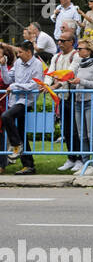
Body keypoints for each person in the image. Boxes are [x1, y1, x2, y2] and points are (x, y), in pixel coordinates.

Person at [0, 41, 46, 174]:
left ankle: (16, 145)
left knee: (6, 116)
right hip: (15, 100)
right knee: (21, 132)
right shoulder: (18, 63)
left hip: (27, 101)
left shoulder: (37, 64)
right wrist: (3, 66)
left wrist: (15, 86)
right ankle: (29, 165)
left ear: (28, 52)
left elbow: (35, 85)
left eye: (20, 52)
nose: (18, 55)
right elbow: (8, 80)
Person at [67, 37, 93, 175]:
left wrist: (81, 81)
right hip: (78, 102)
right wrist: (70, 81)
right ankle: (84, 162)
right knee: (81, 135)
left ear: (89, 50)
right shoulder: (79, 64)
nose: (77, 50)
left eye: (80, 48)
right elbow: (75, 82)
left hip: (91, 101)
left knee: (91, 134)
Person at [50, 29, 83, 172]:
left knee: (76, 130)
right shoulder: (56, 57)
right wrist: (46, 85)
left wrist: (56, 85)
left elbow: (70, 73)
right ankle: (71, 157)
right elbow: (50, 73)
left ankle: (81, 158)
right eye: (59, 40)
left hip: (74, 98)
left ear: (71, 42)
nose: (59, 43)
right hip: (62, 98)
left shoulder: (76, 56)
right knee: (66, 129)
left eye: (63, 41)